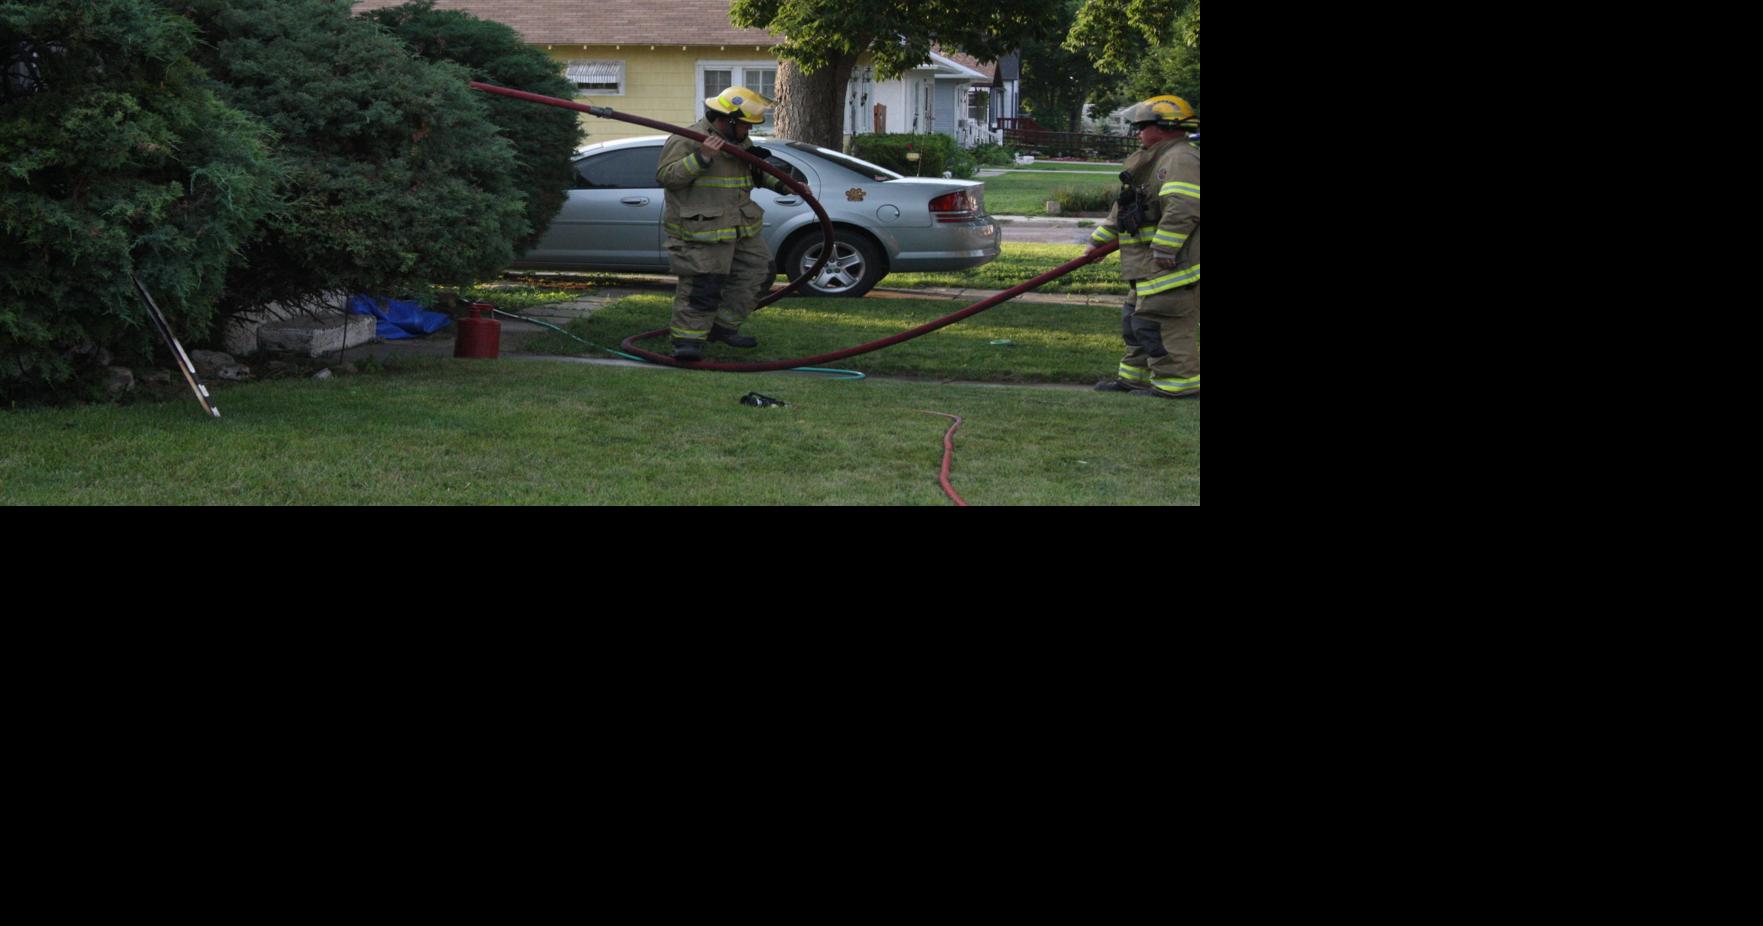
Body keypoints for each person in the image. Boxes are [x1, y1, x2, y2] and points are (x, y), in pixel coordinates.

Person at [656, 86, 790, 361]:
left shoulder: (740, 143)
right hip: (702, 231)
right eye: (744, 126)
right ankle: (687, 342)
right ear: (727, 121)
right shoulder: (687, 139)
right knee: (703, 286)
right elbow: (667, 177)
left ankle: (723, 328)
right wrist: (702, 158)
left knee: (760, 273)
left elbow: (755, 173)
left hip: (741, 228)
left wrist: (789, 186)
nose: (748, 132)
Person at [1087, 95, 1200, 399]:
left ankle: (1178, 386)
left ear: (1164, 126)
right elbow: (1126, 208)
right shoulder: (1152, 159)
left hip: (1174, 265)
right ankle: (1132, 380)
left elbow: (1185, 206)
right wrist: (1097, 241)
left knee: (1160, 322)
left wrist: (1165, 249)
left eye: (1142, 126)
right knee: (1134, 321)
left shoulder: (1180, 159)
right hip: (1147, 266)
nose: (1137, 132)